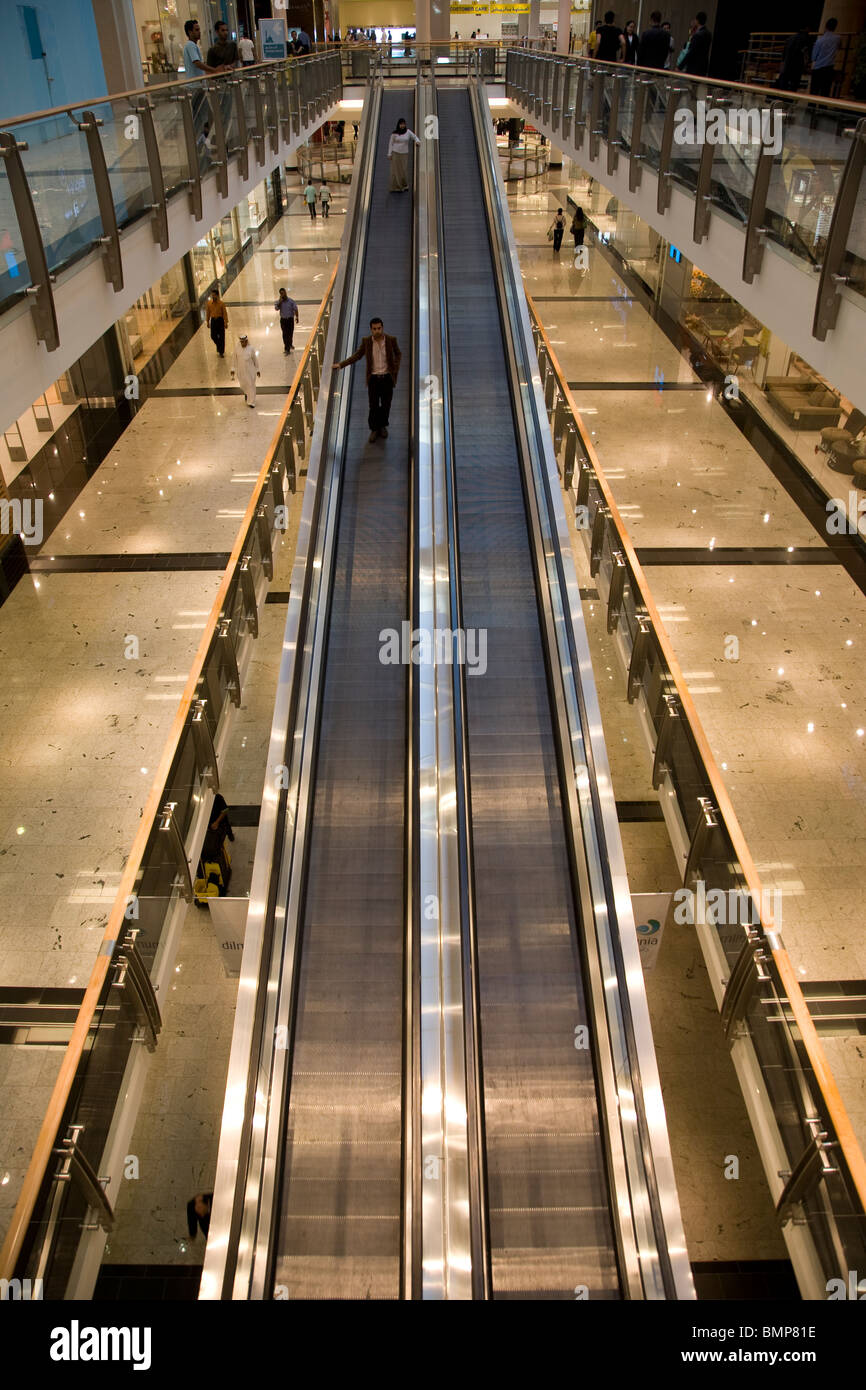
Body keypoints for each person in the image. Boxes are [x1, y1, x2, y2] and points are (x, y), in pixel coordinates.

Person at [332, 317, 402, 443]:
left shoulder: (391, 340)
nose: (377, 331)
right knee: (373, 406)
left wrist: (395, 369)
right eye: (374, 329)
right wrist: (341, 365)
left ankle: (383, 426)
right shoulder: (367, 342)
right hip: (374, 379)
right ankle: (374, 429)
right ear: (371, 329)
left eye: (379, 328)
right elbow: (357, 356)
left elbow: (398, 353)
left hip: (387, 378)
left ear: (382, 327)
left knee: (386, 405)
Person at [388, 117, 421, 192]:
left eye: (403, 124)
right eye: (401, 124)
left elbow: (415, 137)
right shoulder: (394, 133)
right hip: (395, 153)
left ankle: (405, 185)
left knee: (403, 170)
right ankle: (395, 187)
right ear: (398, 125)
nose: (402, 126)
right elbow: (391, 143)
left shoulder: (408, 132)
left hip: (404, 154)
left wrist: (417, 141)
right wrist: (389, 153)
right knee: (395, 170)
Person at [810, 18, 840, 97]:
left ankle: (811, 108)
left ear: (825, 27)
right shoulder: (837, 38)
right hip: (829, 67)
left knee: (814, 90)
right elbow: (839, 46)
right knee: (825, 91)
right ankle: (822, 108)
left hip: (818, 67)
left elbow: (814, 57)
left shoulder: (820, 40)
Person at [777, 28, 811, 92]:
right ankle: (789, 100)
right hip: (797, 66)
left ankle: (781, 98)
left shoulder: (790, 38)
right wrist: (806, 64)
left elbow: (784, 54)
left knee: (783, 85)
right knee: (793, 86)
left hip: (787, 65)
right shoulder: (806, 39)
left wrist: (782, 65)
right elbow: (806, 54)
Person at [231, 333, 260, 406]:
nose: (243, 343)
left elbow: (255, 360)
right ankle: (247, 394)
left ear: (247, 341)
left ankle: (251, 402)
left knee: (251, 385)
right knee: (244, 385)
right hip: (241, 371)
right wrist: (232, 369)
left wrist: (257, 370)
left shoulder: (251, 349)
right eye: (242, 342)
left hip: (250, 371)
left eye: (245, 342)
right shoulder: (237, 349)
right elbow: (234, 360)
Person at [682, 11, 711, 76]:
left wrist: (680, 66)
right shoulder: (709, 34)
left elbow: (691, 52)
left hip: (694, 66)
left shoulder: (697, 35)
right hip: (703, 66)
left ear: (697, 20)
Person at [275, 288, 299, 353]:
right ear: (280, 294)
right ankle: (287, 348)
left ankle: (290, 344)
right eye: (281, 293)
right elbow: (276, 308)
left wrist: (297, 317)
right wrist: (280, 302)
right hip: (283, 320)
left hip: (290, 320)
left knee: (290, 333)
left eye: (284, 293)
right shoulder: (279, 302)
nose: (283, 294)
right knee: (285, 334)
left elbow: (296, 309)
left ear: (286, 292)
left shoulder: (291, 301)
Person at [206, 287, 228, 357]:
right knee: (213, 336)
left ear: (217, 295)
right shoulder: (209, 303)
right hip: (213, 321)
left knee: (222, 336)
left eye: (214, 295)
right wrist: (207, 321)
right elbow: (208, 313)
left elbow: (224, 313)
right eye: (212, 295)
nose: (213, 296)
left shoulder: (221, 304)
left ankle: (221, 352)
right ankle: (219, 346)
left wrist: (226, 322)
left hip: (220, 320)